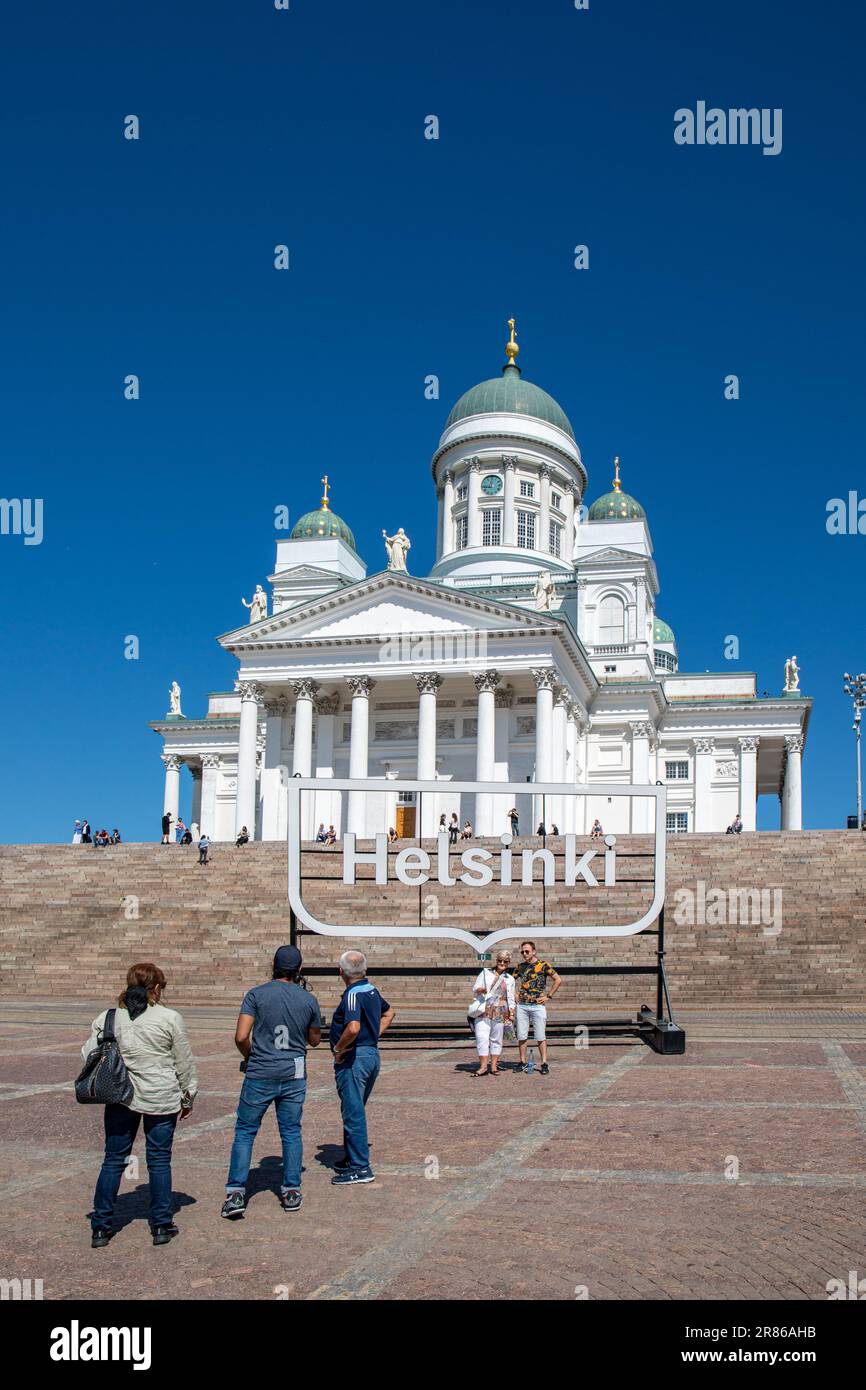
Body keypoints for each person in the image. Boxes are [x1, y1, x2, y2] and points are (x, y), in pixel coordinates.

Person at [83, 963, 197, 1249]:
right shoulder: (169, 1018)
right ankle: (160, 1225)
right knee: (158, 1160)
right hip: (161, 1095)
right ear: (156, 989)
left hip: (120, 1096)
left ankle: (101, 1227)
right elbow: (183, 1061)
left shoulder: (109, 1018)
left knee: (113, 1159)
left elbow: (87, 1053)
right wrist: (188, 1095)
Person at [221, 945, 322, 1219]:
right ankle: (291, 1189)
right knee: (291, 1131)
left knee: (245, 1131)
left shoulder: (256, 994)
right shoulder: (308, 999)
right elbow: (314, 1040)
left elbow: (241, 1036)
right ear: (299, 969)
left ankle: (236, 1193)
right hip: (293, 1072)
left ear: (273, 966)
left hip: (261, 1071)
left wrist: (251, 1056)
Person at [329, 950, 395, 1185]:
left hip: (354, 1058)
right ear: (365, 970)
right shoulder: (371, 989)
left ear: (341, 972)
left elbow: (354, 1027)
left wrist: (339, 1048)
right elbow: (389, 1012)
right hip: (370, 1055)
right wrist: (374, 1035)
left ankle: (360, 1167)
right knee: (354, 1107)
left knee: (353, 1111)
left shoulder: (352, 995)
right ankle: (352, 1157)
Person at [512, 941, 562, 1076]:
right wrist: (514, 993)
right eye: (522, 951)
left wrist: (548, 996)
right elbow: (510, 981)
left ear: (534, 951)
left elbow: (558, 979)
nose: (524, 954)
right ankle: (522, 1061)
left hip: (538, 1005)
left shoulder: (543, 965)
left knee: (540, 1035)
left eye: (527, 951)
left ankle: (544, 1063)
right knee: (522, 1035)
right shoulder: (520, 966)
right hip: (522, 1005)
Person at [471, 951, 516, 1077]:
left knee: (496, 1040)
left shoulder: (510, 979)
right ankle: (483, 1067)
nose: (502, 963)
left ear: (508, 963)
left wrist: (511, 1013)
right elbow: (475, 988)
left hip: (501, 1011)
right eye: (500, 960)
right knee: (482, 1038)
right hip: (484, 1009)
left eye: (505, 961)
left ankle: (494, 1066)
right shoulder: (485, 973)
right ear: (496, 960)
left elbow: (511, 997)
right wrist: (481, 989)